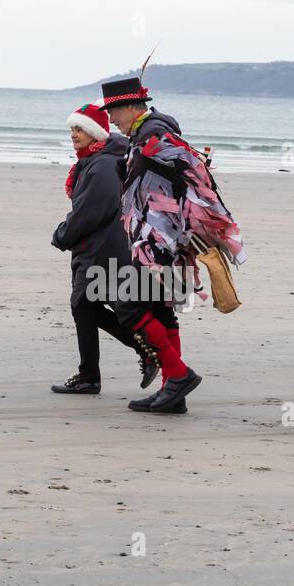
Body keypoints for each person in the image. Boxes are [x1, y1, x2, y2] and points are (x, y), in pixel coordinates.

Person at [99, 76, 245, 414]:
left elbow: (193, 175)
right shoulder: (147, 134)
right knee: (161, 309)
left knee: (129, 306)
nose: (110, 120)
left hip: (161, 242)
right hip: (164, 239)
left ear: (130, 107)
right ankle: (172, 392)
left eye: (113, 111)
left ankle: (177, 375)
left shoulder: (155, 135)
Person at [50, 102, 159, 395]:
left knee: (90, 305)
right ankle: (129, 358)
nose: (74, 134)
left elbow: (92, 210)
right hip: (103, 245)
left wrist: (62, 235)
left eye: (80, 129)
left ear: (95, 132)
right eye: (72, 128)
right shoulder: (98, 159)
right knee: (92, 305)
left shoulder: (101, 165)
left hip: (102, 247)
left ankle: (138, 354)